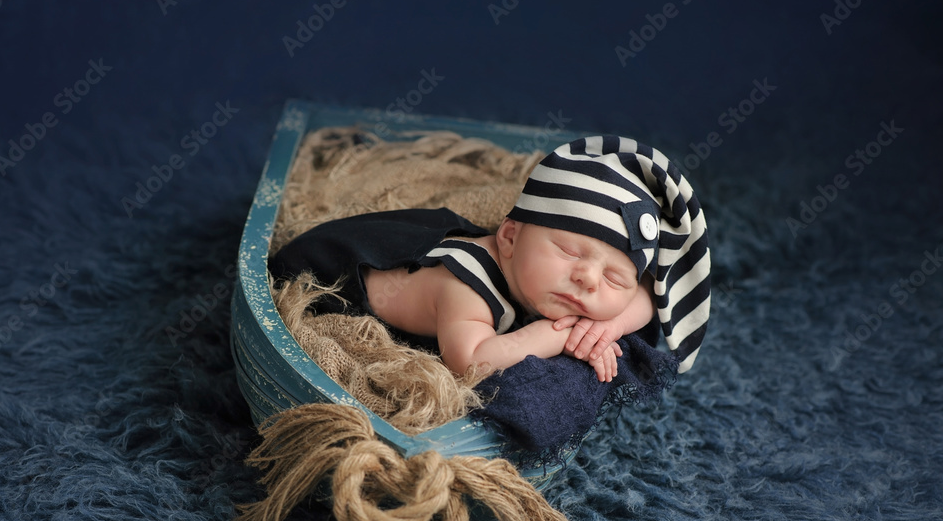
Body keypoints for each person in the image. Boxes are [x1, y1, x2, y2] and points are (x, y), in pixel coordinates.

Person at [270, 135, 711, 382]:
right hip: (330, 270)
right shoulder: (467, 288)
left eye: (613, 278)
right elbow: (470, 361)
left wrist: (608, 325)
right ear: (510, 236)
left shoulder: (559, 278)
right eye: (569, 251)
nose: (589, 280)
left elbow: (648, 293)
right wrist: (554, 336)